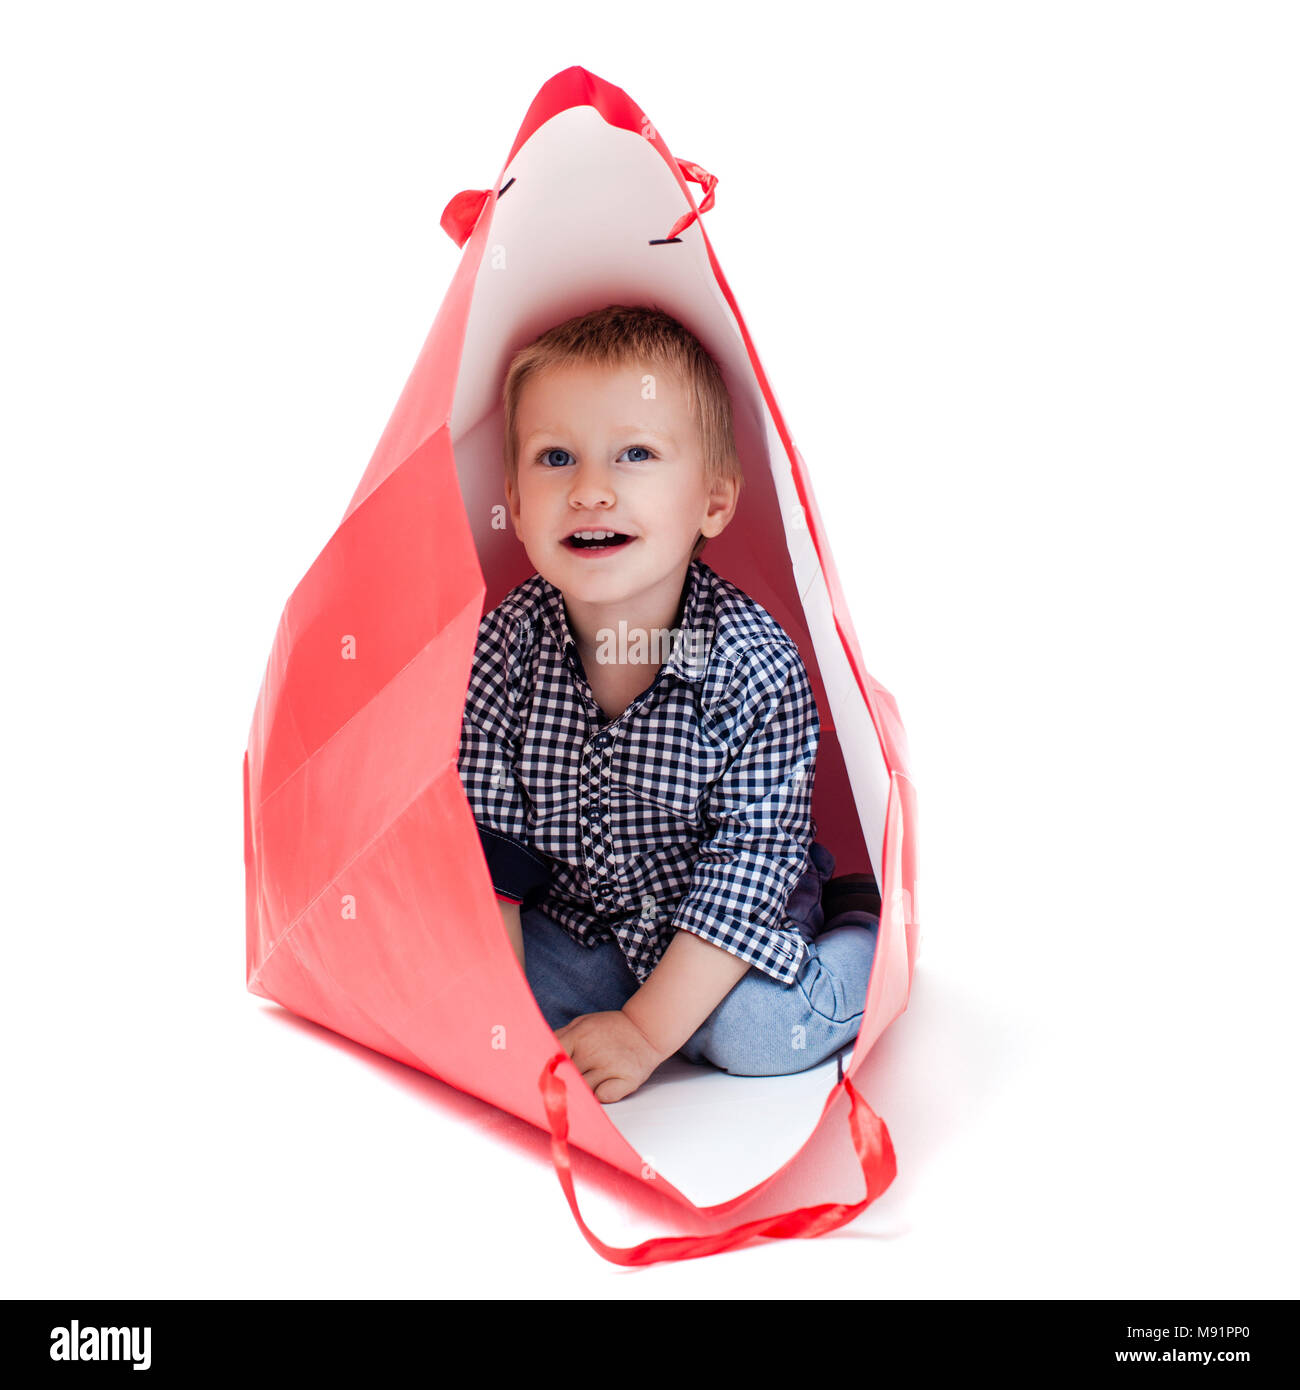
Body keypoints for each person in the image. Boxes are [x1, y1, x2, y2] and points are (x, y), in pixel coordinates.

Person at [457, 304, 878, 1103]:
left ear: (713, 502)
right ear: (515, 498)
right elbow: (490, 849)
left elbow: (747, 867)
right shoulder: (505, 646)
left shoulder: (753, 665)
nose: (590, 491)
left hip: (728, 917)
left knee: (760, 1034)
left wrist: (646, 1033)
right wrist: (506, 1025)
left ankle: (858, 926)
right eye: (556, 458)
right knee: (480, 989)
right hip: (585, 925)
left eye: (636, 455)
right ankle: (599, 1006)